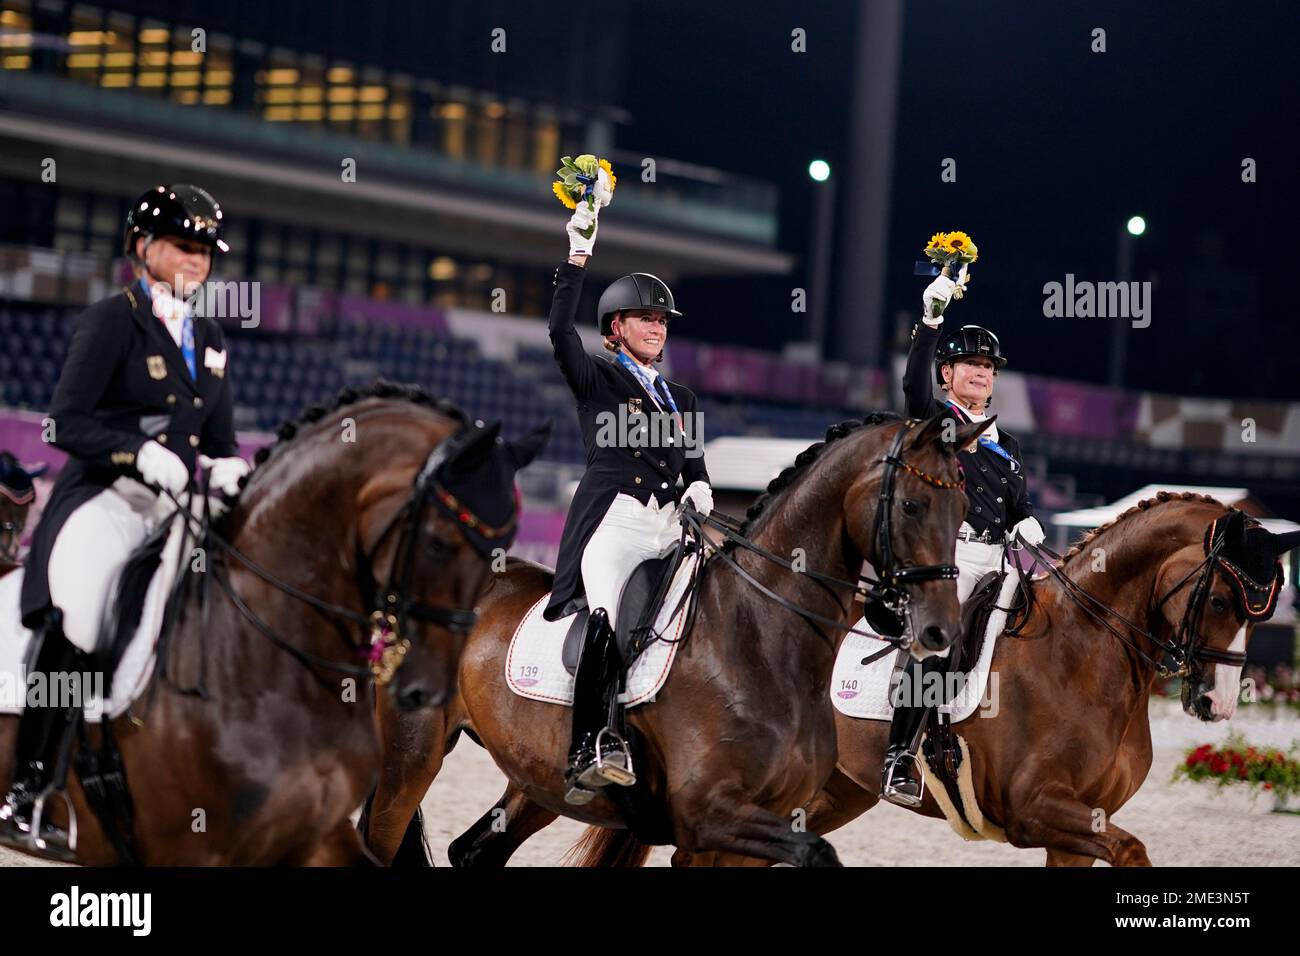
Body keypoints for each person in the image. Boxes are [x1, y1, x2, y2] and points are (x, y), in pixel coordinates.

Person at [1, 185, 249, 855]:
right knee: (80, 611)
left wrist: (227, 466)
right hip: (102, 497)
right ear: (144, 248)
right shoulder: (112, 320)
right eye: (184, 247)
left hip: (175, 509)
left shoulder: (213, 335)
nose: (197, 262)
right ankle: (27, 789)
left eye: (205, 251)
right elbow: (65, 421)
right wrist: (134, 450)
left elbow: (219, 437)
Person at [546, 178, 712, 805]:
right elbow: (561, 335)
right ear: (615, 327)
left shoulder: (683, 398)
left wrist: (698, 488)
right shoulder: (598, 380)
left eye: (662, 321)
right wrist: (577, 255)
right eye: (646, 319)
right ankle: (592, 741)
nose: (657, 329)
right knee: (608, 613)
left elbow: (693, 460)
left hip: (672, 525)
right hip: (615, 522)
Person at [880, 265, 1046, 807]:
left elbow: (1016, 505)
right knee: (938, 638)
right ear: (946, 373)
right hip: (950, 559)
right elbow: (910, 384)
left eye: (988, 366)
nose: (981, 373)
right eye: (970, 364)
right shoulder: (934, 422)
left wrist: (1026, 518)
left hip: (1003, 562)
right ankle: (900, 754)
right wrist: (931, 318)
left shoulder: (1010, 445)